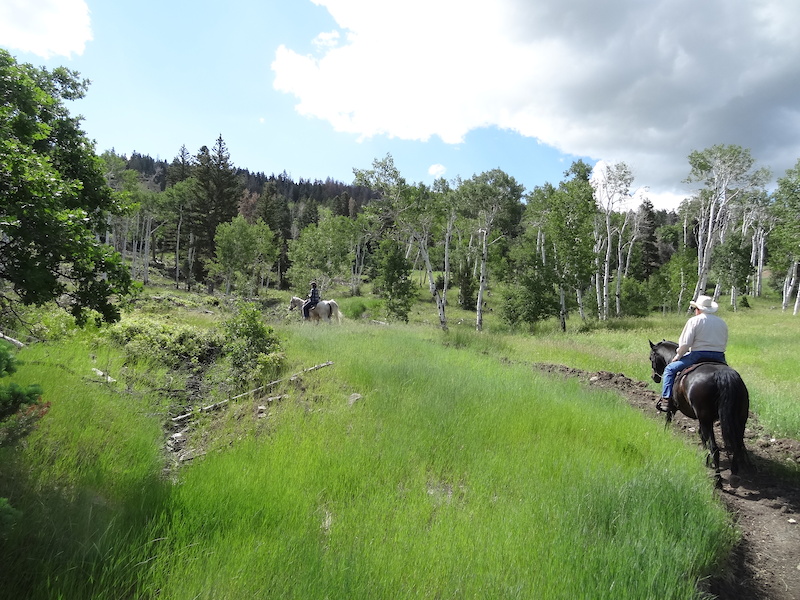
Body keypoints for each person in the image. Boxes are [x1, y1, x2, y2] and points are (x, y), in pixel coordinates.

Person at [657, 294, 728, 412]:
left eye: (696, 308)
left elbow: (685, 343)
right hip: (719, 357)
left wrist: (678, 356)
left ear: (698, 309)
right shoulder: (721, 322)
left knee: (669, 370)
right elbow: (724, 341)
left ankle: (666, 400)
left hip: (698, 355)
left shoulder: (694, 321)